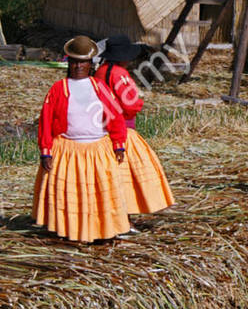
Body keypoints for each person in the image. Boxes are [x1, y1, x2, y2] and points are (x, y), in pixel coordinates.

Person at [34, 35, 130, 242]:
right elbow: (46, 121)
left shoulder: (99, 87)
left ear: (90, 64)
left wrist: (119, 144)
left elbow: (115, 117)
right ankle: (69, 230)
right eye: (74, 61)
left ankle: (101, 231)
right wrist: (46, 150)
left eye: (83, 62)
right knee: (71, 195)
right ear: (68, 63)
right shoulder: (59, 89)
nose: (78, 66)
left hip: (98, 150)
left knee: (99, 194)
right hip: (68, 151)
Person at [94, 35, 174, 215]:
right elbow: (130, 103)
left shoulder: (100, 71)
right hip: (123, 130)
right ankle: (125, 214)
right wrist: (139, 104)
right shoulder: (120, 74)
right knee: (127, 175)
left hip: (101, 129)